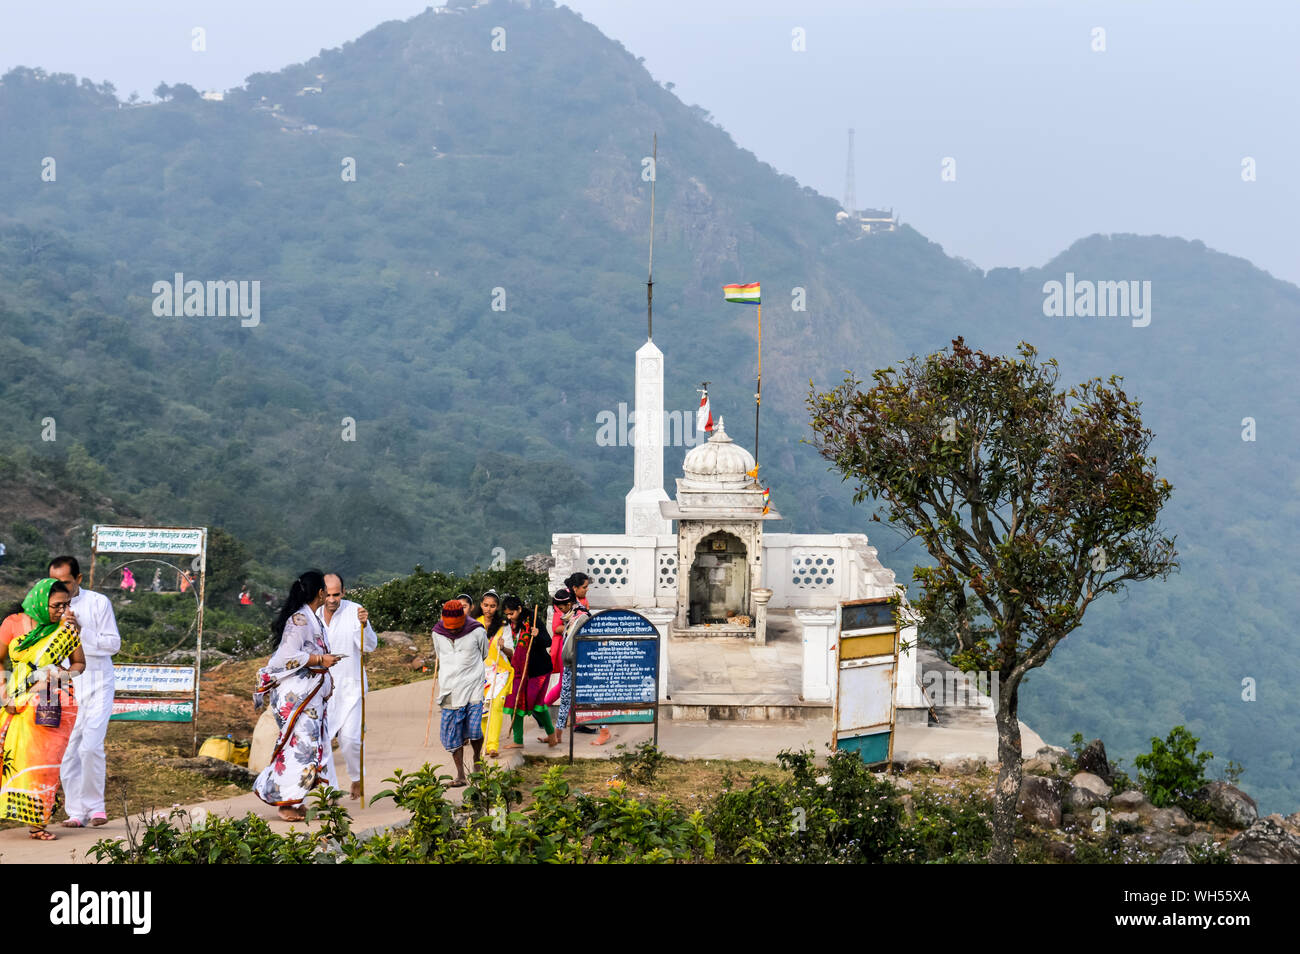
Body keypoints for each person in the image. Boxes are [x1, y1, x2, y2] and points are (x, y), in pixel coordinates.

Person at [0, 579, 87, 840]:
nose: (62, 610)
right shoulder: (13, 624)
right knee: (9, 758)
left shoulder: (66, 629)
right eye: (56, 605)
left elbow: (79, 664)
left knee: (43, 763)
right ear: (39, 602)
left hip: (51, 704)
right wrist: (4, 694)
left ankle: (38, 823)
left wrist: (58, 676)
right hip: (13, 700)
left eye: (66, 605)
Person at [252, 570, 341, 822]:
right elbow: (284, 658)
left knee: (308, 748)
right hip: (296, 698)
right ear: (320, 593)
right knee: (298, 748)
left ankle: (296, 798)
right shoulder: (300, 620)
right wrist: (319, 659)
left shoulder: (310, 618)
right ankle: (285, 803)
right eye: (325, 589)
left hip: (308, 697)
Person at [49, 555, 121, 828]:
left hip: (98, 682)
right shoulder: (47, 607)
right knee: (67, 750)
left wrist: (81, 632)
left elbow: (113, 644)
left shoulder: (98, 603)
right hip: (64, 686)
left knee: (90, 747)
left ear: (78, 579)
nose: (60, 588)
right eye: (55, 582)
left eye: (65, 582)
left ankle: (96, 808)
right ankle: (76, 812)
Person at [317, 573, 376, 799]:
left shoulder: (355, 611)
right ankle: (328, 793)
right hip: (321, 691)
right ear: (321, 593)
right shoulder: (313, 614)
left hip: (351, 688)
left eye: (337, 594)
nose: (332, 599)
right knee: (321, 744)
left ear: (343, 592)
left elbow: (368, 646)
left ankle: (357, 777)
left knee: (350, 740)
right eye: (328, 594)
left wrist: (364, 624)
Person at [431, 599, 488, 786]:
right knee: (452, 733)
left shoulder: (477, 631)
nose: (453, 631)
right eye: (450, 627)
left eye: (457, 627)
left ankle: (477, 759)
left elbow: (484, 654)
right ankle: (460, 775)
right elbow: (440, 654)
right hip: (449, 688)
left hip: (473, 686)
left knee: (473, 729)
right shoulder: (437, 633)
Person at [500, 597, 558, 748]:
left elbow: (548, 641)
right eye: (506, 614)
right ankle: (518, 741)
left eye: (511, 613)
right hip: (519, 670)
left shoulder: (532, 620)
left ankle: (552, 736)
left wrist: (537, 634)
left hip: (538, 670)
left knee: (535, 706)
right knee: (514, 702)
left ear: (519, 609)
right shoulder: (511, 626)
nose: (509, 617)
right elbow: (513, 649)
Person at [477, 590, 513, 758]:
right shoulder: (473, 624)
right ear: (480, 605)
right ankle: (484, 743)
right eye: (485, 605)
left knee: (496, 705)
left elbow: (511, 652)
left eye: (492, 606)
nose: (488, 609)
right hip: (479, 671)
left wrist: (502, 647)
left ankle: (493, 746)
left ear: (497, 607)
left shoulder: (503, 626)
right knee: (482, 707)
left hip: (499, 671)